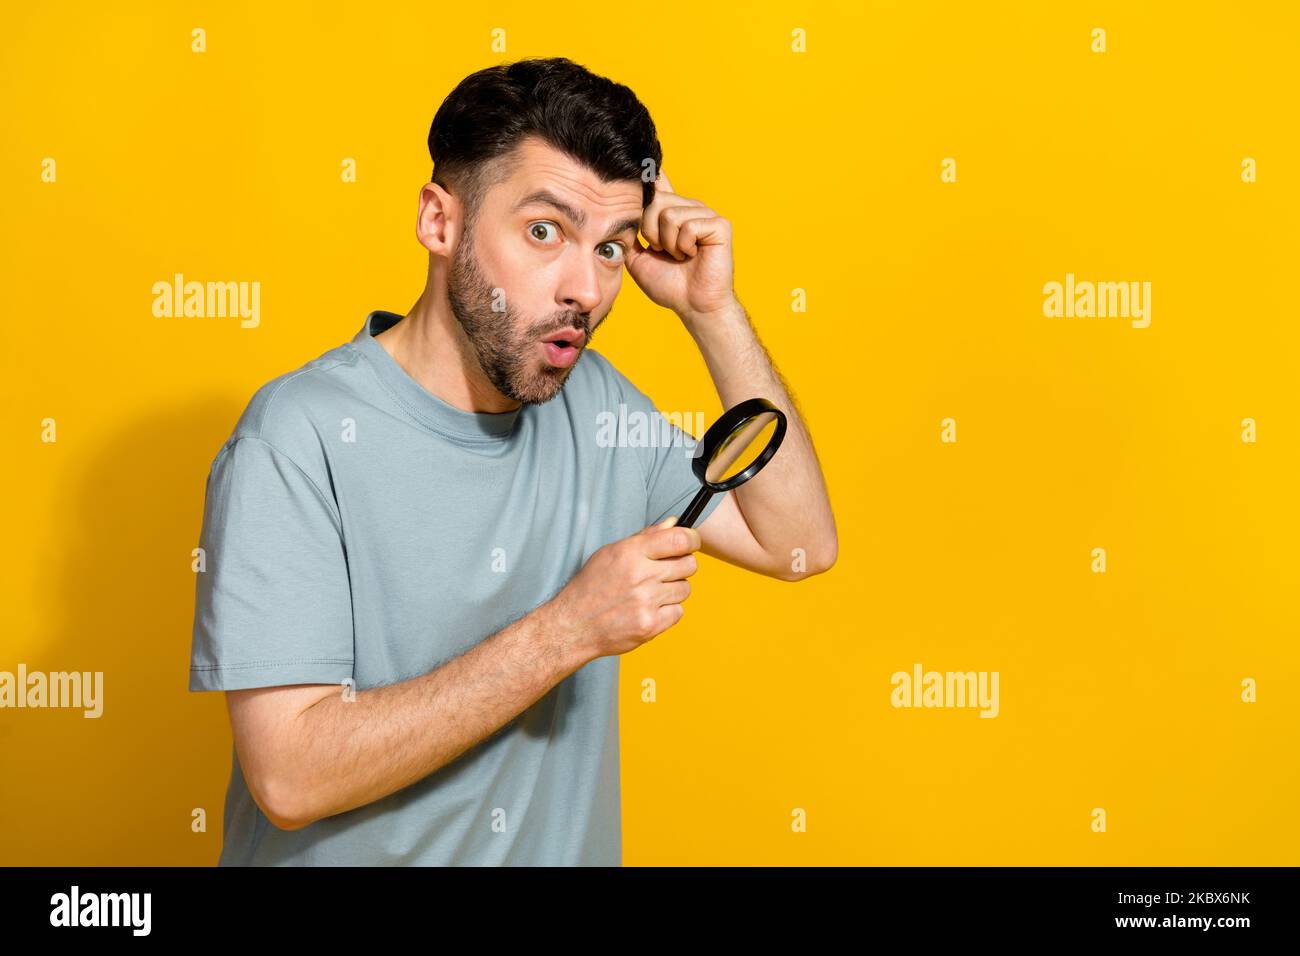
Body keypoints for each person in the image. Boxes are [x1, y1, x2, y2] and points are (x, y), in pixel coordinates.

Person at [188, 56, 837, 866]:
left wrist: (712, 310)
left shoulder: (599, 407)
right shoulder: (298, 436)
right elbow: (288, 779)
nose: (585, 290)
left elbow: (799, 540)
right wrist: (568, 631)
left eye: (610, 248)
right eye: (544, 231)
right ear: (440, 222)